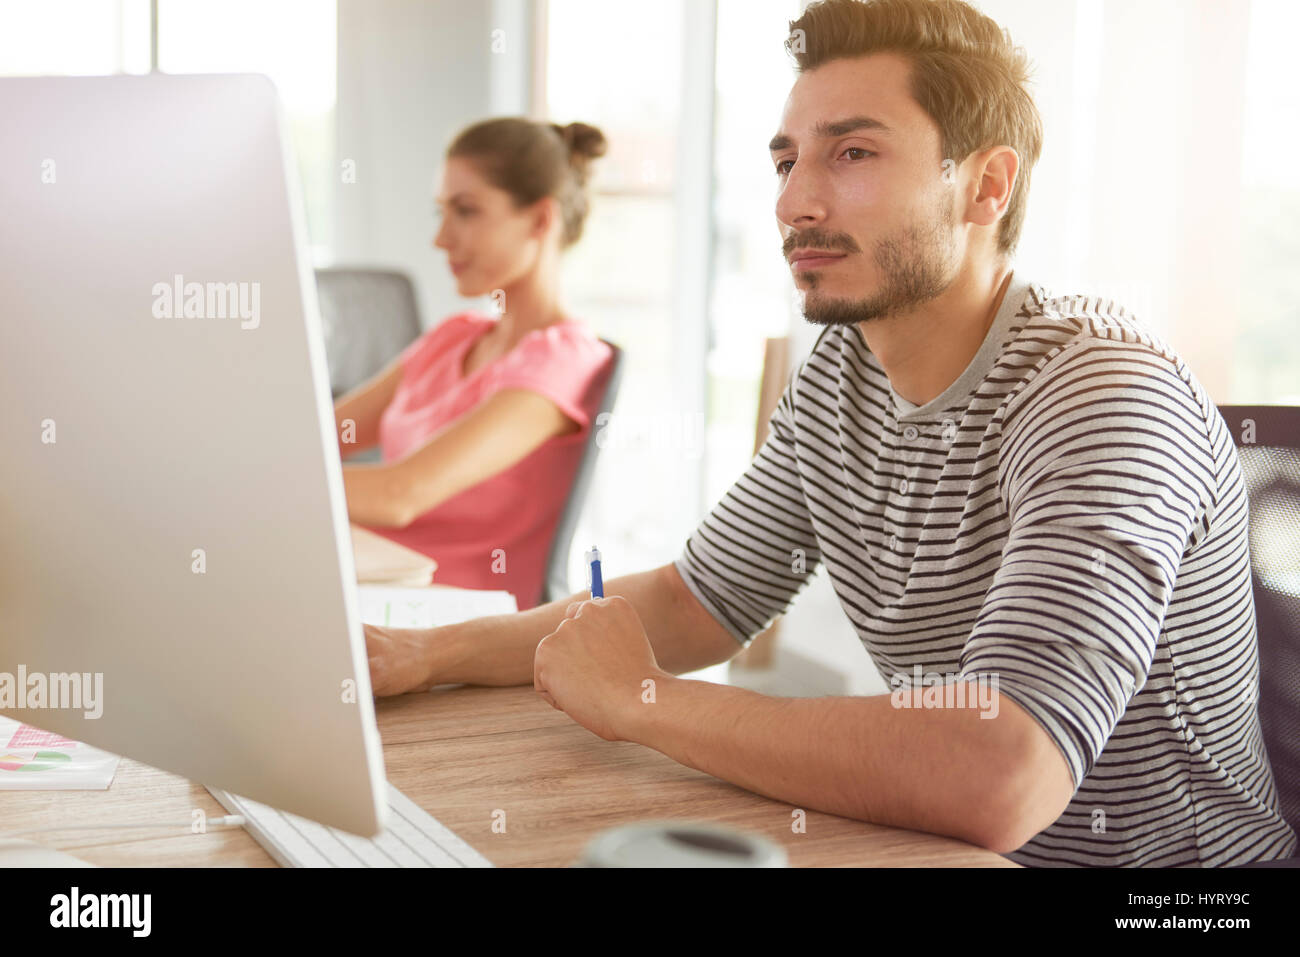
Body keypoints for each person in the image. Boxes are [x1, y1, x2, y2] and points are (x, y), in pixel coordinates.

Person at [363, 0, 1298, 867]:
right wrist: (428, 655)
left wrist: (642, 699)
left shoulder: (1104, 393)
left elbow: (1001, 771)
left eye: (852, 154)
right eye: (787, 161)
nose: (793, 203)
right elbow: (697, 600)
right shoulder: (843, 373)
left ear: (985, 185)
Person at [334, 118, 614, 609]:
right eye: (440, 212)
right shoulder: (453, 337)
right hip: (377, 590)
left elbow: (400, 494)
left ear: (540, 221)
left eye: (465, 212)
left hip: (457, 624)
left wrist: (249, 483)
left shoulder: (562, 361)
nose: (440, 238)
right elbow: (323, 438)